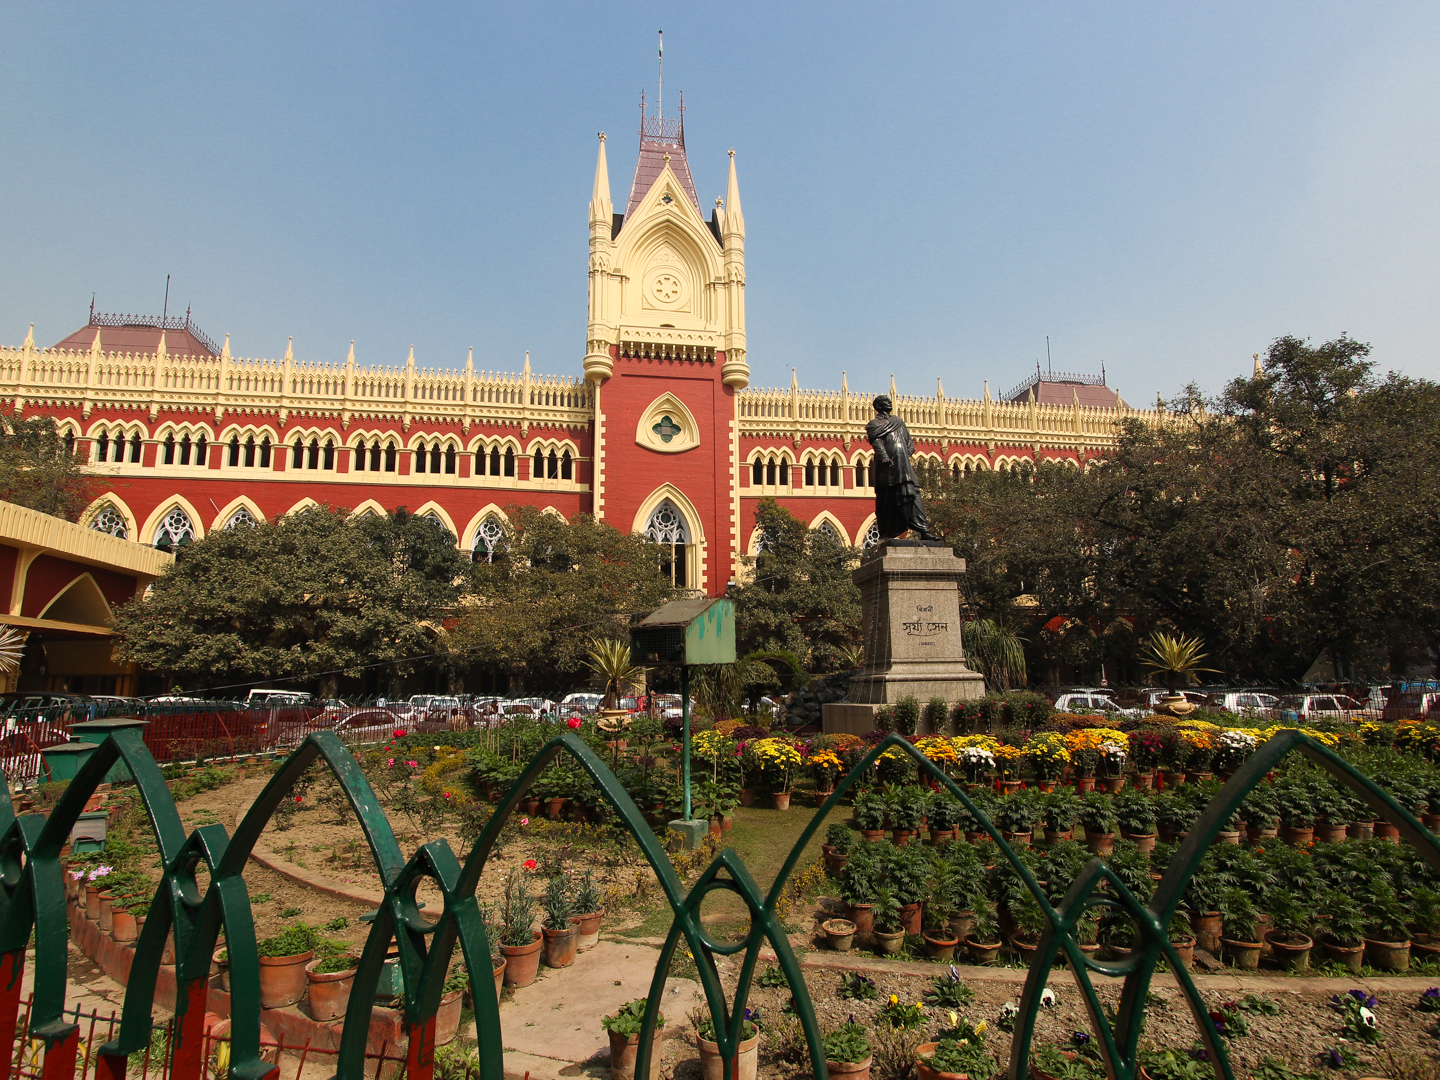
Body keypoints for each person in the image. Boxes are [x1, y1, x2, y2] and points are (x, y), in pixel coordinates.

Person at [865, 395, 941, 541]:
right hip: (887, 468)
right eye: (885, 401)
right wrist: (884, 457)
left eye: (889, 401)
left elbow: (908, 439)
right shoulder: (874, 424)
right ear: (878, 406)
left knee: (913, 495)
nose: (889, 403)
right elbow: (877, 442)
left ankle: (923, 529)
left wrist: (909, 449)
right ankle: (887, 532)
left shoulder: (898, 421)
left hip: (903, 465)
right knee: (887, 500)